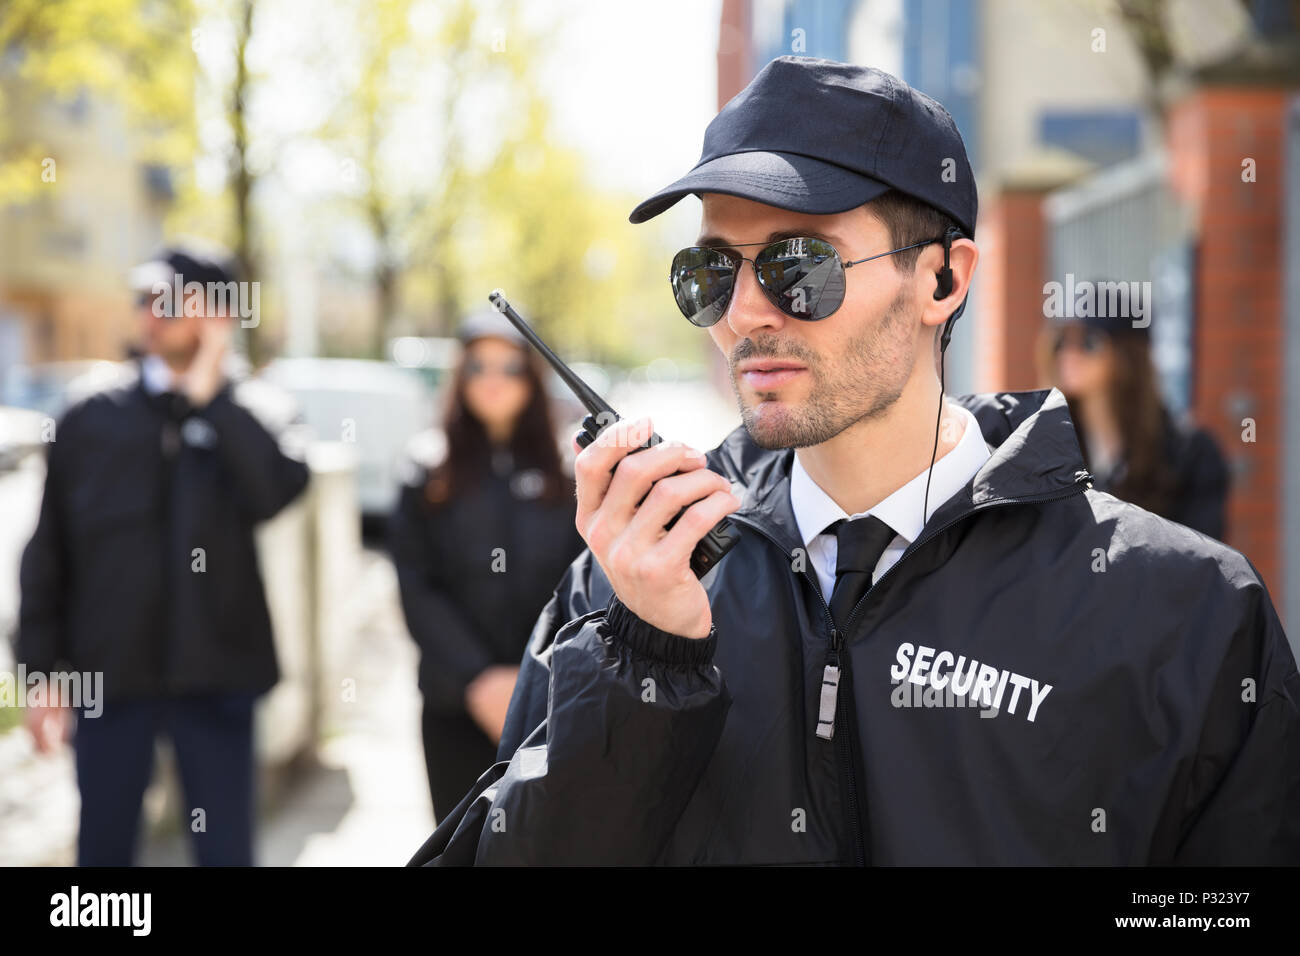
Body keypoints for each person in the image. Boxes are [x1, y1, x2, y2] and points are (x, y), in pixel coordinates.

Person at [409, 57, 1300, 866]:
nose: (746, 313)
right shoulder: (627, 587)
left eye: (801, 264)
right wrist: (643, 667)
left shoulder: (1187, 615)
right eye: (711, 271)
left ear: (943, 281)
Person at [16, 244, 310, 866]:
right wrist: (41, 670)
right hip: (110, 675)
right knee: (103, 855)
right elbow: (48, 550)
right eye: (145, 298)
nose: (153, 314)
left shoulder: (256, 409)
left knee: (226, 850)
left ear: (219, 317)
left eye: (175, 302)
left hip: (220, 674)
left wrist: (212, 394)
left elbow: (278, 491)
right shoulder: (90, 415)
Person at [388, 310, 585, 821]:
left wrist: (529, 685)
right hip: (456, 703)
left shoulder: (570, 476)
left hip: (551, 708)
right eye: (478, 367)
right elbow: (416, 587)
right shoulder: (427, 472)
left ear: (532, 376)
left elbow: (581, 587)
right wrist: (479, 680)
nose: (493, 381)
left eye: (509, 366)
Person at [1039, 293, 1230, 539]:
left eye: (1088, 341)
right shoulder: (1048, 446)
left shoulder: (1189, 453)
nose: (1070, 353)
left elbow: (1203, 554)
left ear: (1126, 353)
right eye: (1061, 341)